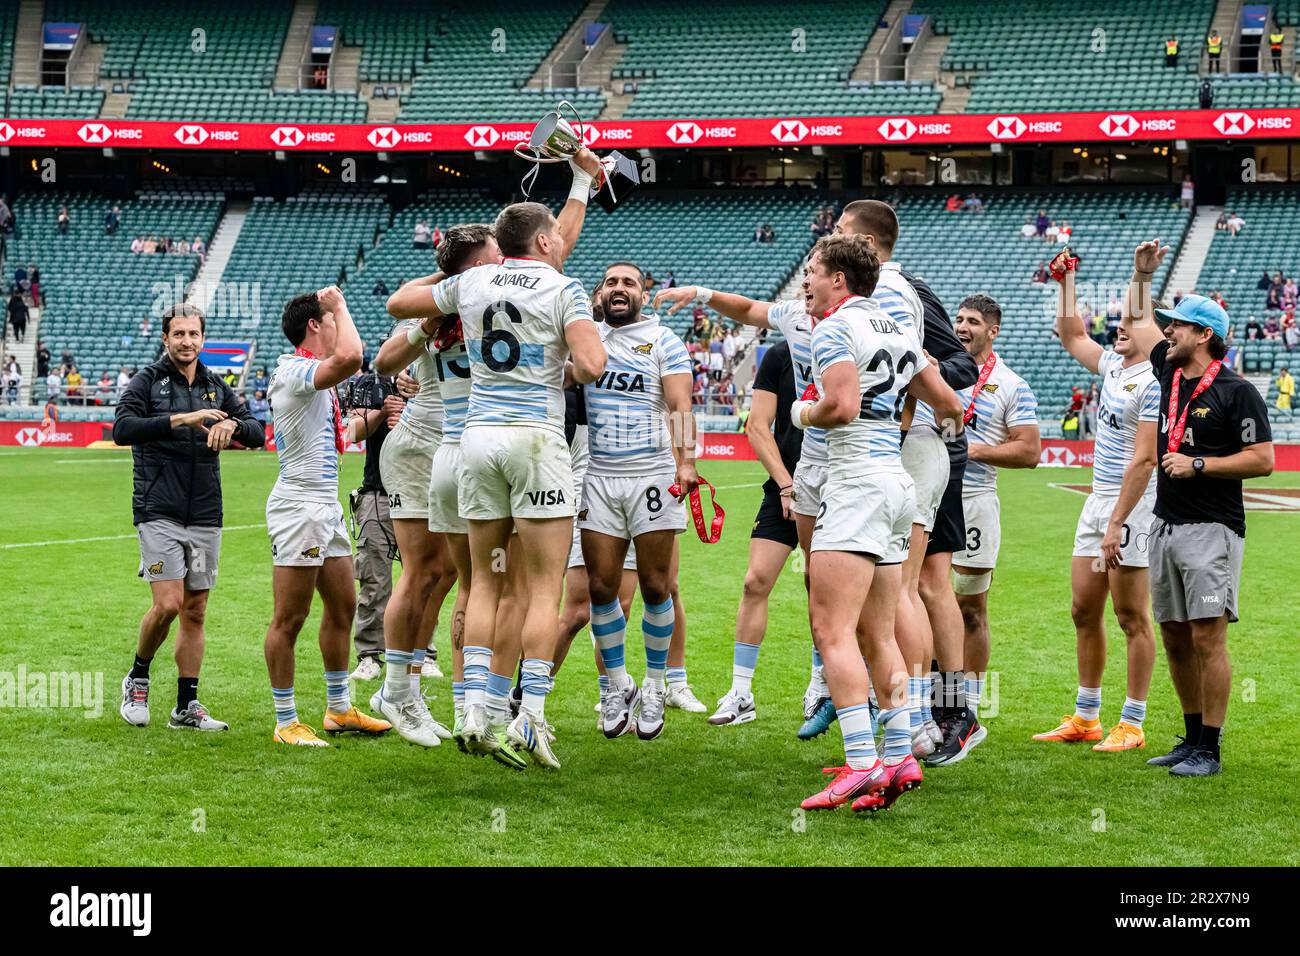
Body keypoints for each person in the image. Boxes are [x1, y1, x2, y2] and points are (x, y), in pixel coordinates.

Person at [385, 149, 607, 768]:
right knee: (542, 589)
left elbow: (400, 303)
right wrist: (559, 355)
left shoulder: (473, 283)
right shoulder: (565, 287)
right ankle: (530, 714)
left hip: (474, 440)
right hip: (534, 439)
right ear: (542, 240)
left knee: (483, 580)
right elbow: (592, 365)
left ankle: (475, 708)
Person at [792, 234, 961, 812]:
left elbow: (838, 407)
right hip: (896, 483)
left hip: (857, 482)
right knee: (878, 632)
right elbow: (950, 404)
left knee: (830, 629)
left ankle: (862, 765)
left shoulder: (835, 328)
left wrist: (800, 410)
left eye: (813, 272)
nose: (806, 282)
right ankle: (897, 756)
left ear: (839, 279)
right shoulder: (895, 326)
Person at [1125, 291, 1273, 776]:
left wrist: (1200, 464)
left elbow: (1264, 460)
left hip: (1213, 529)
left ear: (1205, 335)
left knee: (1208, 639)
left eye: (1179, 326)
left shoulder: (1236, 391)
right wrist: (1142, 274)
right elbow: (1138, 322)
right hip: (1165, 525)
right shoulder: (1169, 372)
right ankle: (1190, 740)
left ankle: (1210, 747)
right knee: (1173, 636)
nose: (1168, 331)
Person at [112, 304, 265, 732]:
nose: (186, 341)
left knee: (195, 610)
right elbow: (122, 429)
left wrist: (232, 428)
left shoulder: (217, 385)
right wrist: (186, 418)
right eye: (178, 334)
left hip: (204, 513)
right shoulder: (147, 380)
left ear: (202, 338)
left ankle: (186, 707)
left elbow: (257, 430)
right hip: (157, 509)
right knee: (168, 604)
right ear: (166, 338)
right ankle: (138, 678)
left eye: (193, 334)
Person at [1036, 244, 1159, 751]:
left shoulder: (1154, 380)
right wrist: (1065, 280)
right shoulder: (1112, 364)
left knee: (1132, 616)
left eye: (1133, 324)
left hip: (1135, 502)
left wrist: (1140, 275)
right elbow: (1071, 334)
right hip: (1098, 499)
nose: (1122, 326)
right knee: (1083, 611)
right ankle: (1087, 716)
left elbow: (1145, 460)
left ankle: (1132, 720)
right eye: (1120, 323)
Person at [263, 287, 392, 747]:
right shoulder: (294, 369)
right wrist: (339, 304)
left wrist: (380, 415)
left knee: (343, 606)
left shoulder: (310, 376)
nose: (338, 324)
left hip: (325, 506)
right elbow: (353, 357)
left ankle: (338, 709)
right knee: (290, 618)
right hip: (299, 507)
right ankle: (285, 721)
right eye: (331, 319)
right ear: (315, 325)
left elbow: (340, 432)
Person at [578, 261, 698, 740]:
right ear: (600, 294)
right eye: (611, 283)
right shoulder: (587, 340)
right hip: (599, 476)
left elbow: (680, 407)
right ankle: (616, 685)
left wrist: (686, 463)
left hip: (651, 477)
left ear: (644, 295)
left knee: (654, 587)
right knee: (602, 589)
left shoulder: (664, 341)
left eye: (629, 283)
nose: (620, 289)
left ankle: (654, 685)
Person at [936, 293, 1041, 765]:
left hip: (975, 501)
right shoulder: (933, 370)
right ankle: (932, 702)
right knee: (923, 599)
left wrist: (975, 451)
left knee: (970, 608)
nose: (962, 327)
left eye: (973, 321)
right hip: (931, 496)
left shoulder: (1011, 385)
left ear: (992, 330)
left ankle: (967, 707)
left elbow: (1029, 451)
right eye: (958, 319)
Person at [371, 273, 465, 751]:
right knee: (421, 570)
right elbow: (383, 360)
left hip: (459, 449)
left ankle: (404, 686)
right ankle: (396, 692)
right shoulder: (434, 304)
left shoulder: (497, 302)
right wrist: (427, 321)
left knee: (446, 572)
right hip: (418, 446)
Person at [709, 340, 801, 726]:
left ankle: (821, 688)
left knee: (822, 588)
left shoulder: (850, 343)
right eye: (808, 275)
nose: (810, 285)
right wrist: (784, 483)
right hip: (785, 487)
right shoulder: (781, 355)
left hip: (837, 489)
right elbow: (758, 425)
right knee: (755, 581)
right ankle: (741, 693)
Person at [344, 390, 401, 682]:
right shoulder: (375, 383)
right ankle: (369, 656)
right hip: (377, 493)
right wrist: (382, 411)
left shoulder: (435, 372)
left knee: (427, 576)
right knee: (373, 578)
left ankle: (423, 653)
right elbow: (352, 431)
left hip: (422, 489)